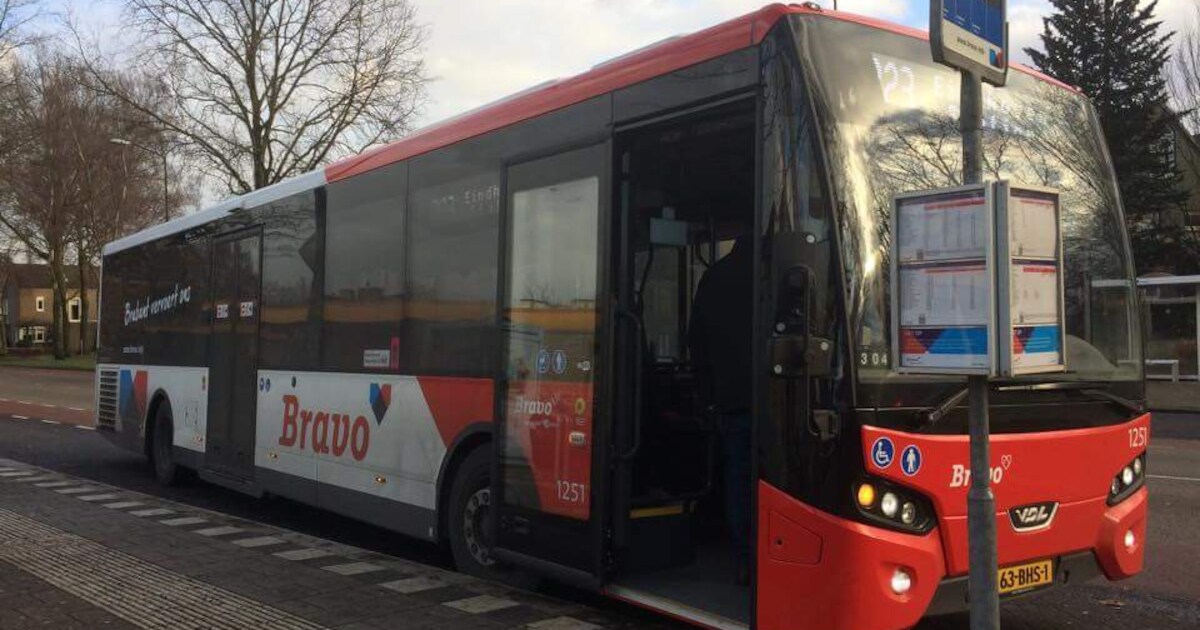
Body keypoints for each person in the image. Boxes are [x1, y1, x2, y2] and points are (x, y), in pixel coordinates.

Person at [688, 235, 753, 585]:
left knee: (737, 478)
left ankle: (744, 557)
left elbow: (695, 342)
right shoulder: (768, 276)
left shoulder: (714, 278)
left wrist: (708, 395)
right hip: (778, 399)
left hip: (729, 401)